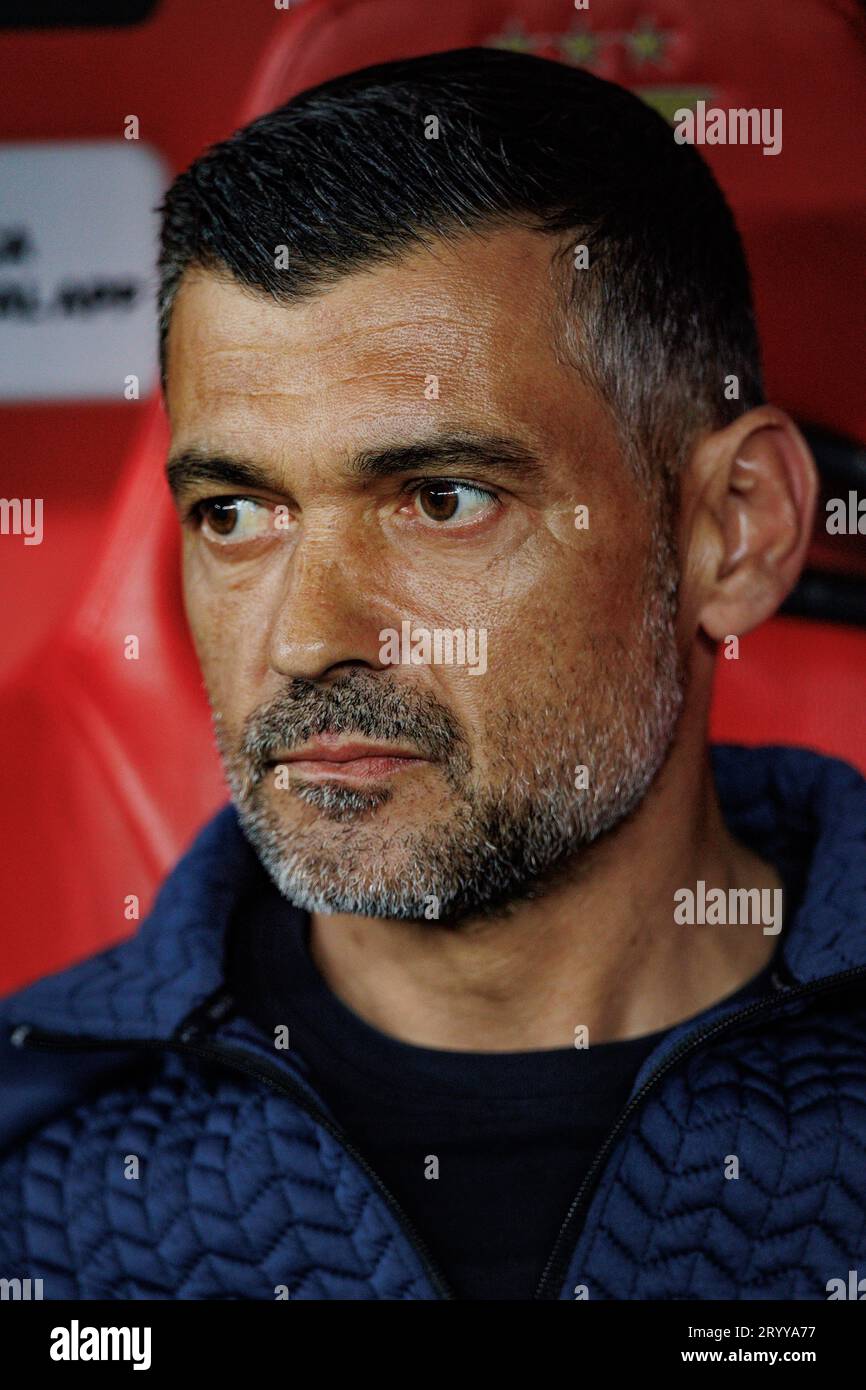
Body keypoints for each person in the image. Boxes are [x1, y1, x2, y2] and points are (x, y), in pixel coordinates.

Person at [1, 48, 864, 1302]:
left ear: (731, 530)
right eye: (236, 512)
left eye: (439, 499)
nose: (303, 640)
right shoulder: (36, 1164)